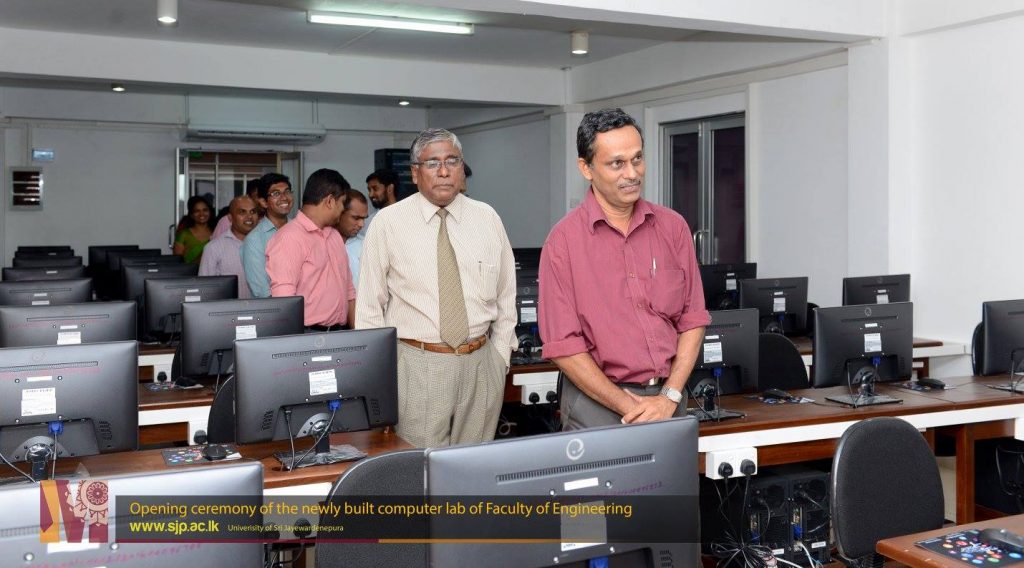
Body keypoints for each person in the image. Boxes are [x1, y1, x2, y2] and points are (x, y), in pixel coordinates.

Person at [538, 108, 710, 430]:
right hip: (597, 407)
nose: (632, 173)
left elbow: (692, 319)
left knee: (675, 483)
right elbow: (564, 346)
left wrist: (669, 396)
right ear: (586, 168)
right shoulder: (562, 243)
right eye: (617, 163)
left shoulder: (673, 228)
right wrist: (629, 406)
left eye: (637, 159)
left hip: (669, 400)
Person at [356, 128, 517, 448]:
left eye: (451, 161)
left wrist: (499, 359)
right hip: (417, 366)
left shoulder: (488, 218)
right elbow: (369, 310)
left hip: (482, 363)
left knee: (472, 471)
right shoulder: (388, 223)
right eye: (432, 164)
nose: (443, 171)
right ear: (415, 173)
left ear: (461, 168)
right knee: (419, 472)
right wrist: (382, 378)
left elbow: (506, 296)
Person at [266, 169, 355, 331]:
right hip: (306, 335)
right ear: (329, 201)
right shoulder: (289, 238)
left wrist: (359, 336)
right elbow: (284, 302)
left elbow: (349, 292)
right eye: (342, 202)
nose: (343, 209)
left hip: (340, 335)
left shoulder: (334, 236)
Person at [241, 173, 292, 298]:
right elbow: (262, 292)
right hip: (277, 311)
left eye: (287, 192)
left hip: (308, 310)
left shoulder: (300, 230)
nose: (284, 198)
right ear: (264, 202)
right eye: (275, 194)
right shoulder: (254, 240)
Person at [199, 195, 259, 299]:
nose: (249, 216)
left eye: (253, 212)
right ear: (230, 218)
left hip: (263, 310)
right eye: (242, 212)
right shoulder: (213, 248)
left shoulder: (268, 243)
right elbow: (205, 291)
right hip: (228, 312)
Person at [336, 188, 368, 289]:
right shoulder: (321, 244)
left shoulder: (366, 245)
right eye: (356, 218)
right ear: (339, 213)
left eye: (364, 218)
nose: (361, 224)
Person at [174, 195, 215, 264]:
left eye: (205, 210)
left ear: (210, 212)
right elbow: (177, 264)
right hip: (189, 274)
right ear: (191, 215)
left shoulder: (216, 232)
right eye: (197, 211)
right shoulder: (183, 234)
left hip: (212, 273)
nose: (201, 214)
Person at [361, 168, 400, 236]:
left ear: (390, 189)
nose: (370, 194)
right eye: (369, 190)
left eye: (375, 189)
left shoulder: (406, 217)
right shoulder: (368, 222)